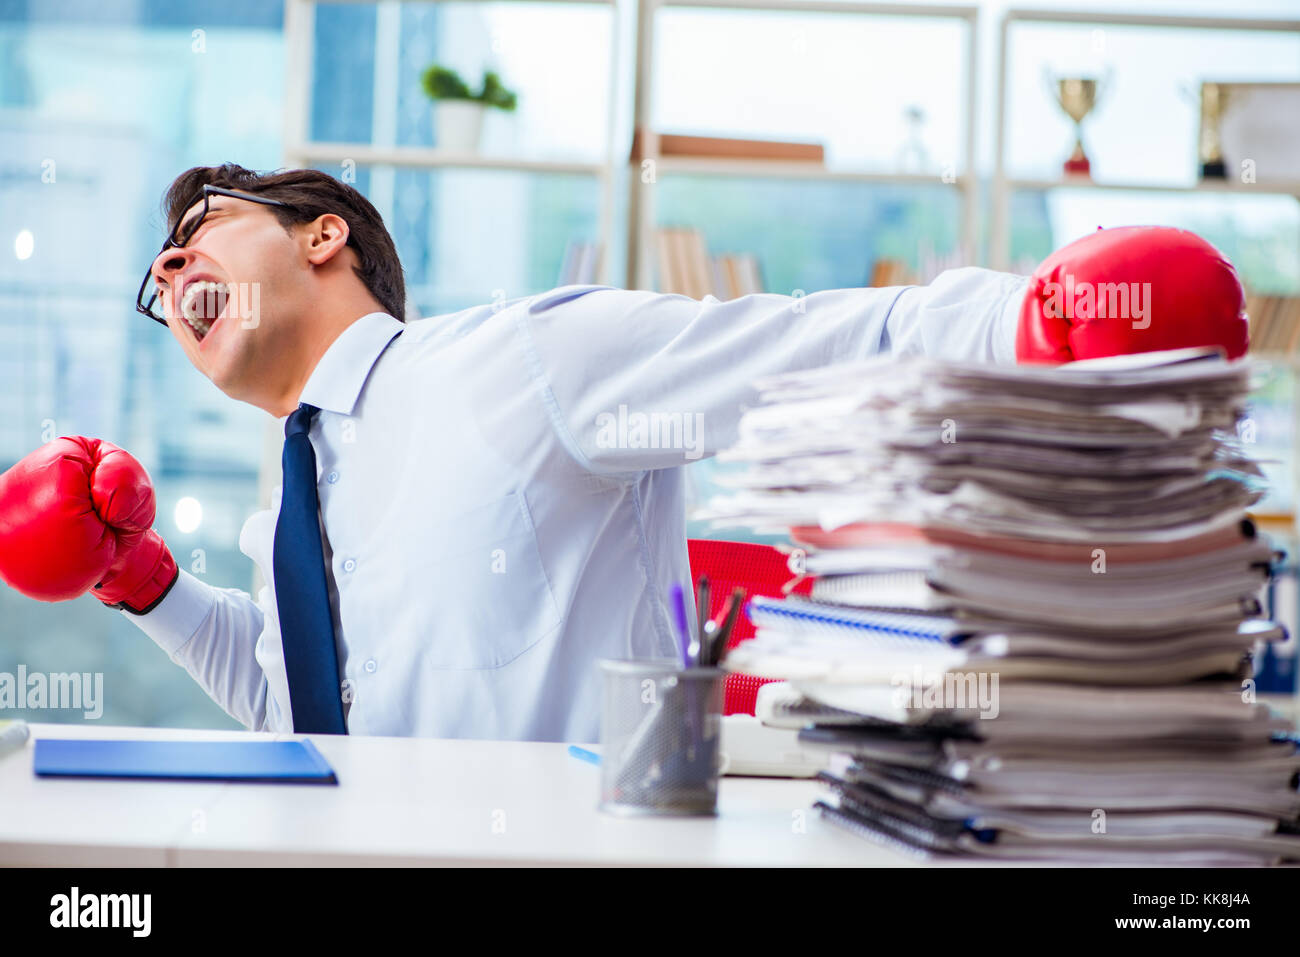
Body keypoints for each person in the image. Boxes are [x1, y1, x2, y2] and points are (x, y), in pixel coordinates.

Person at [0, 164, 1249, 741]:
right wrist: (144, 586)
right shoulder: (300, 497)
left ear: (324, 236)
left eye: (199, 231)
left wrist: (1033, 322)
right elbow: (296, 709)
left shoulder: (519, 364)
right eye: (157, 278)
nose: (167, 270)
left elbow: (803, 345)